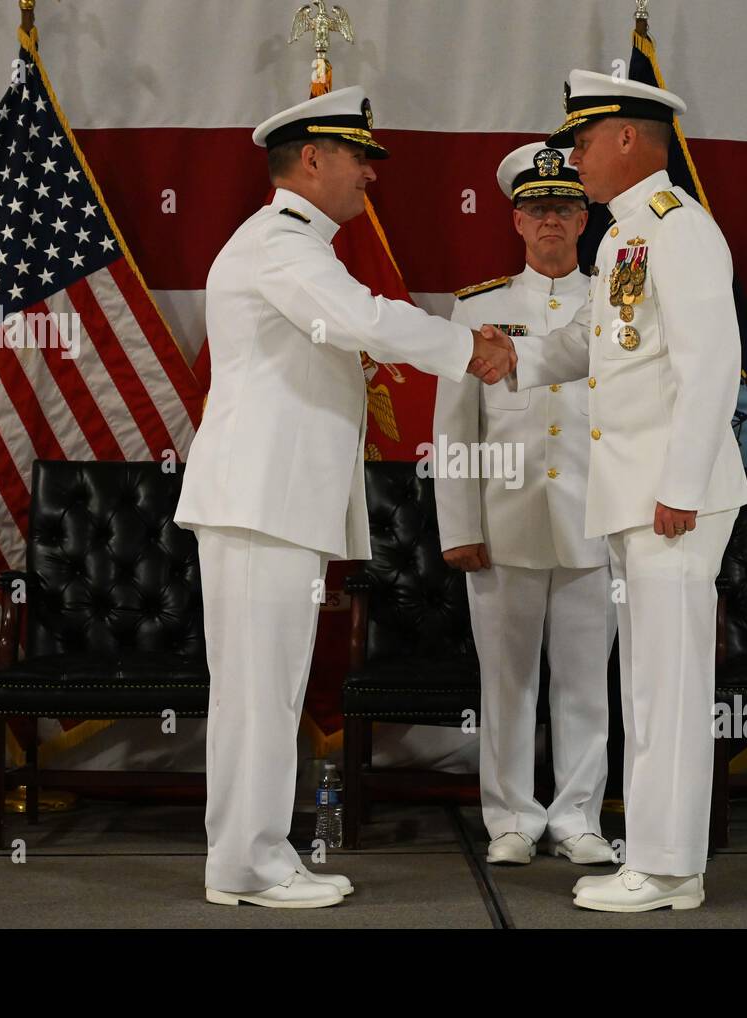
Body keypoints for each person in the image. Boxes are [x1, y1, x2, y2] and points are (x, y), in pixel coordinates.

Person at [173, 86, 514, 909]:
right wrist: (469, 346)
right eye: (358, 156)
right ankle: (248, 863)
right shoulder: (282, 245)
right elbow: (363, 320)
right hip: (261, 502)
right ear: (313, 159)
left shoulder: (291, 243)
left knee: (267, 686)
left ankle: (252, 854)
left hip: (271, 503)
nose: (370, 172)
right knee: (260, 688)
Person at [478, 70, 747, 912]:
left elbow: (712, 368)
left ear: (628, 138)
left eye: (584, 143)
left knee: (668, 685)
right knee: (648, 683)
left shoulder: (680, 229)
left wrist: (679, 486)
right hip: (639, 497)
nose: (575, 159)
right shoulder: (623, 237)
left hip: (674, 496)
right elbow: (602, 345)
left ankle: (667, 866)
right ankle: (666, 860)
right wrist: (513, 356)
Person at [434, 143, 617, 867]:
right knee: (506, 683)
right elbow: (453, 424)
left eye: (565, 207)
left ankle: (577, 818)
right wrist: (459, 527)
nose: (551, 220)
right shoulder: (477, 307)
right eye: (538, 208)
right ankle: (511, 818)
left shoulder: (614, 299)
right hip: (503, 522)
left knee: (583, 684)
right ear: (515, 219)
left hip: (591, 519)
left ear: (584, 218)